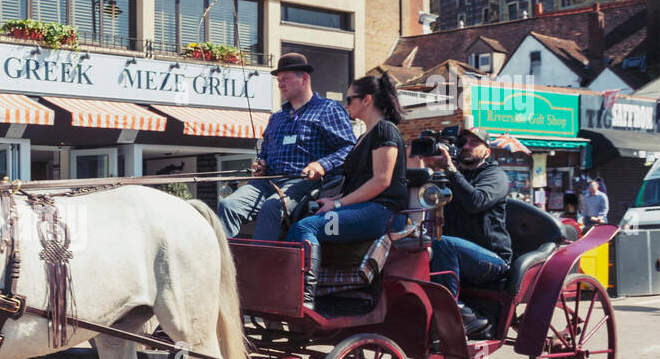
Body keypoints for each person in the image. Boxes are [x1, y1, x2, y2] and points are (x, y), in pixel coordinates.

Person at [285, 73, 408, 309]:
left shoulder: (385, 131)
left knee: (307, 226)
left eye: (349, 99)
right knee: (297, 223)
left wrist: (339, 205)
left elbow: (381, 182)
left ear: (367, 100)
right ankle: (297, 290)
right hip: (366, 208)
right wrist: (334, 199)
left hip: (382, 214)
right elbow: (360, 183)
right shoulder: (365, 136)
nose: (345, 105)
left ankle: (306, 297)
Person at [217, 52, 356, 240]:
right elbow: (264, 151)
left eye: (286, 79)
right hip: (267, 182)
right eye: (279, 80)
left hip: (303, 183)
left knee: (271, 206)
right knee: (228, 204)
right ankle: (227, 262)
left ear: (304, 78)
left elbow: (349, 148)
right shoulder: (277, 117)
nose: (280, 84)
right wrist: (261, 163)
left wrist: (321, 165)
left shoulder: (328, 109)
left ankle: (260, 262)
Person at [427, 127, 512, 336]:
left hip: (492, 260)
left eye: (474, 143)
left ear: (487, 151)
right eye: (464, 142)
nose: (466, 146)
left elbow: (476, 201)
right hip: (457, 256)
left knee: (444, 243)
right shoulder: (452, 175)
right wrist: (431, 169)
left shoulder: (496, 175)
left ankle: (457, 313)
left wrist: (451, 171)